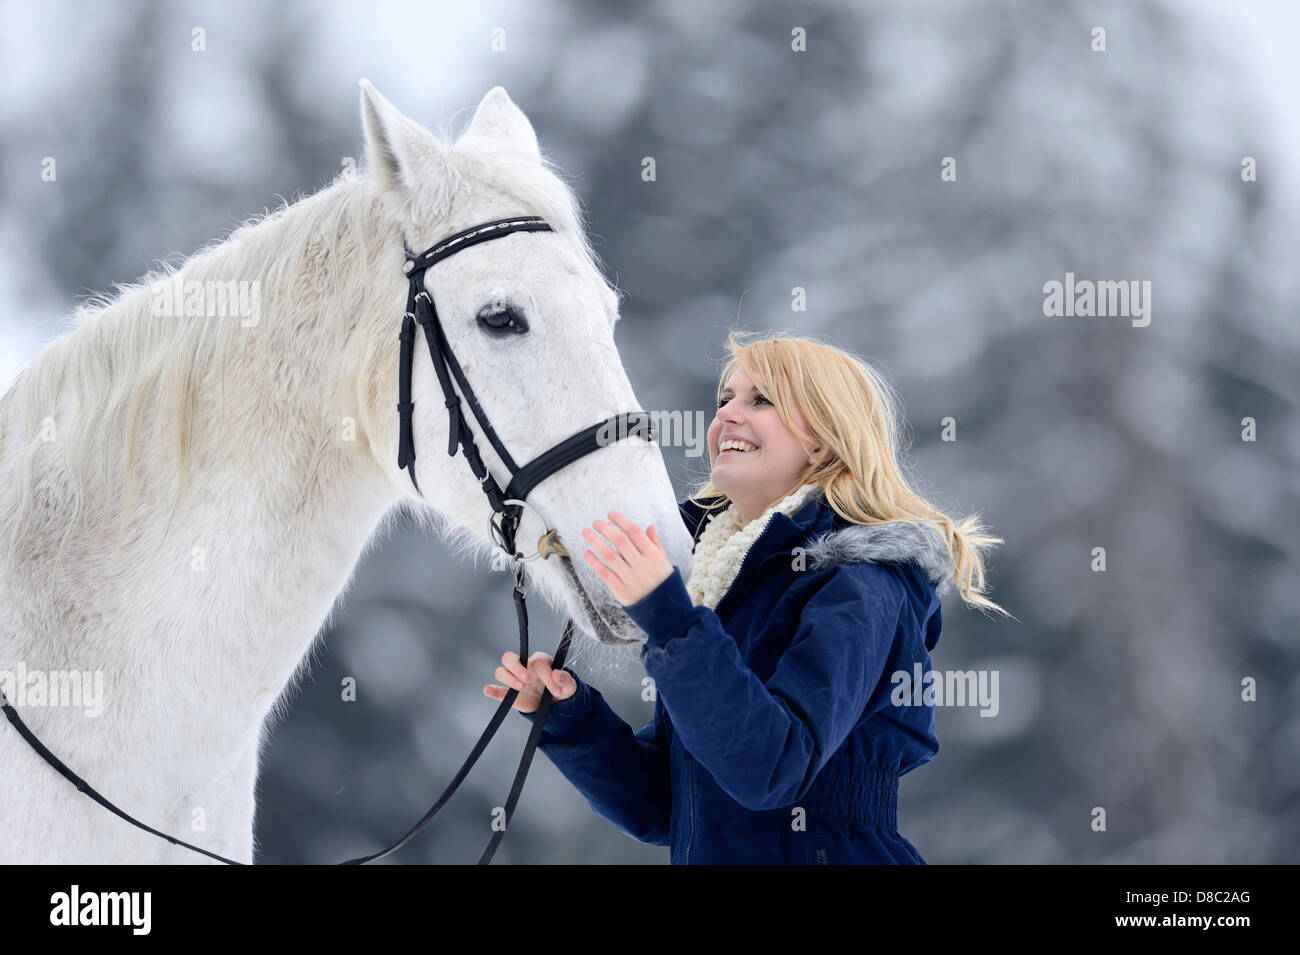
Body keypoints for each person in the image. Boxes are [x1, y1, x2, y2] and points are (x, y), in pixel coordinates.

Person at [484, 329, 1009, 864]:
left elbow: (771, 769)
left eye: (761, 400)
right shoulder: (721, 579)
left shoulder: (864, 583)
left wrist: (669, 618)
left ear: (824, 440)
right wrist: (571, 719)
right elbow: (670, 806)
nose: (728, 414)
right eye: (724, 400)